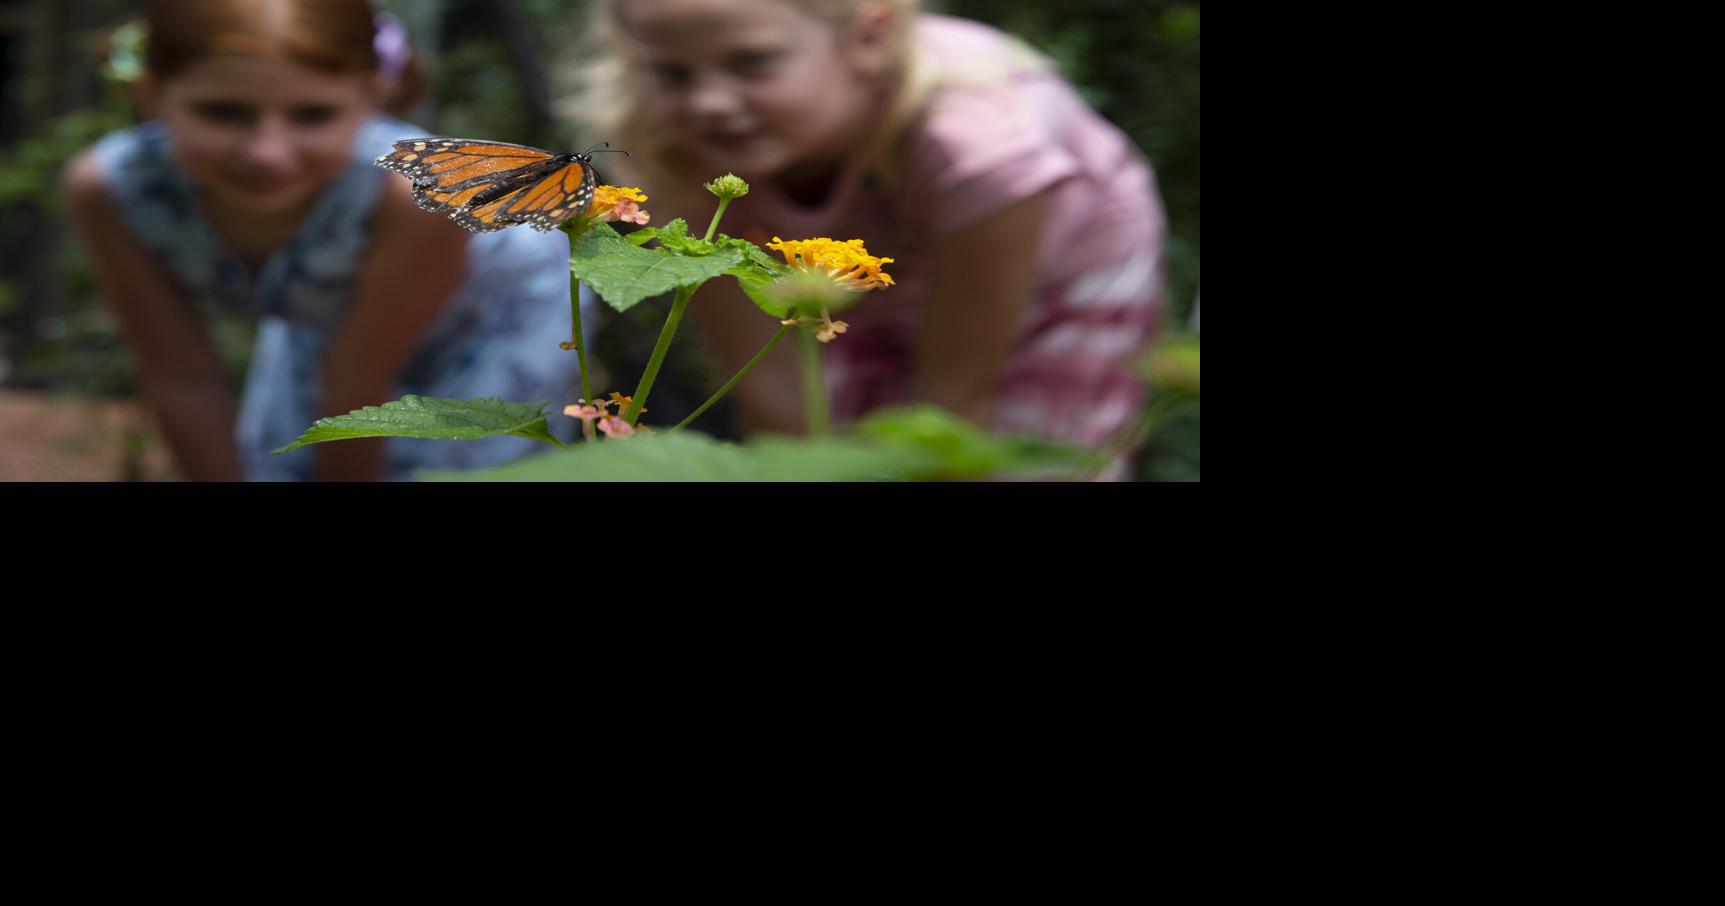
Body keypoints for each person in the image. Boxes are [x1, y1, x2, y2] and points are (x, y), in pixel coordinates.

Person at [570, 0, 1166, 478]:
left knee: (1004, 453)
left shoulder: (979, 150)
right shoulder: (660, 143)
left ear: (869, 38)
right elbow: (773, 391)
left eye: (751, 63)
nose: (709, 103)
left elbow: (957, 400)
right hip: (864, 269)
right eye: (671, 73)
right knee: (839, 427)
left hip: (1051, 277)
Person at [62, 0, 585, 481]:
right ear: (150, 94)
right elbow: (181, 378)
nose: (268, 153)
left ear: (373, 98)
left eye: (313, 115)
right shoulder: (112, 190)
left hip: (496, 325)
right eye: (224, 112)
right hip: (327, 329)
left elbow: (357, 387)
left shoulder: (416, 199)